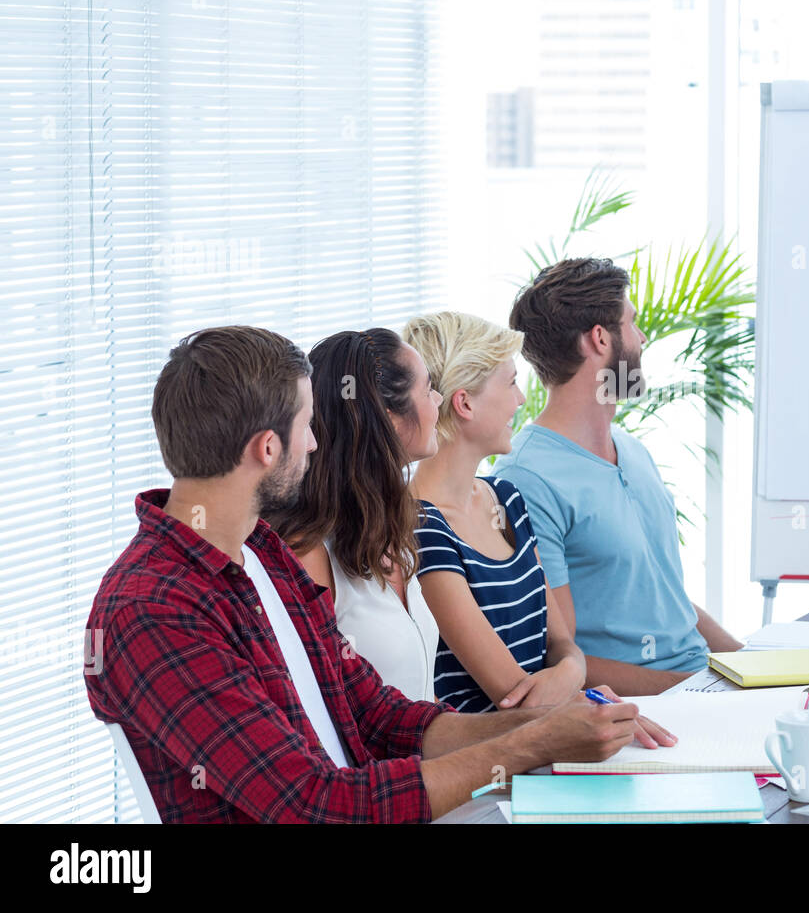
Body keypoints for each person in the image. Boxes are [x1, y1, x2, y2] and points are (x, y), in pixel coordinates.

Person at [83, 325, 653, 823]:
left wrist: (552, 725)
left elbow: (380, 717)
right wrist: (532, 745)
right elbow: (316, 805)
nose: (314, 442)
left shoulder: (261, 555)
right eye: (306, 426)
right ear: (266, 447)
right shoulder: (153, 609)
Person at [492, 258, 744, 696]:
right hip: (640, 707)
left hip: (700, 684)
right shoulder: (526, 477)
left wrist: (751, 668)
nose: (642, 337)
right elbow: (561, 657)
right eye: (632, 323)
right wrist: (695, 688)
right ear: (600, 338)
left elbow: (668, 601)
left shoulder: (632, 449)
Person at [402, 313, 600, 717]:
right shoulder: (419, 525)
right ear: (465, 402)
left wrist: (573, 674)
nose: (521, 399)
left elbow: (562, 643)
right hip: (491, 764)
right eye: (510, 382)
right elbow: (512, 698)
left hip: (547, 738)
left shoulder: (506, 498)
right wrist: (577, 687)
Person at [263, 328, 442, 702]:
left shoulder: (393, 530)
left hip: (429, 755)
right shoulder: (308, 555)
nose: (437, 399)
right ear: (389, 417)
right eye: (427, 390)